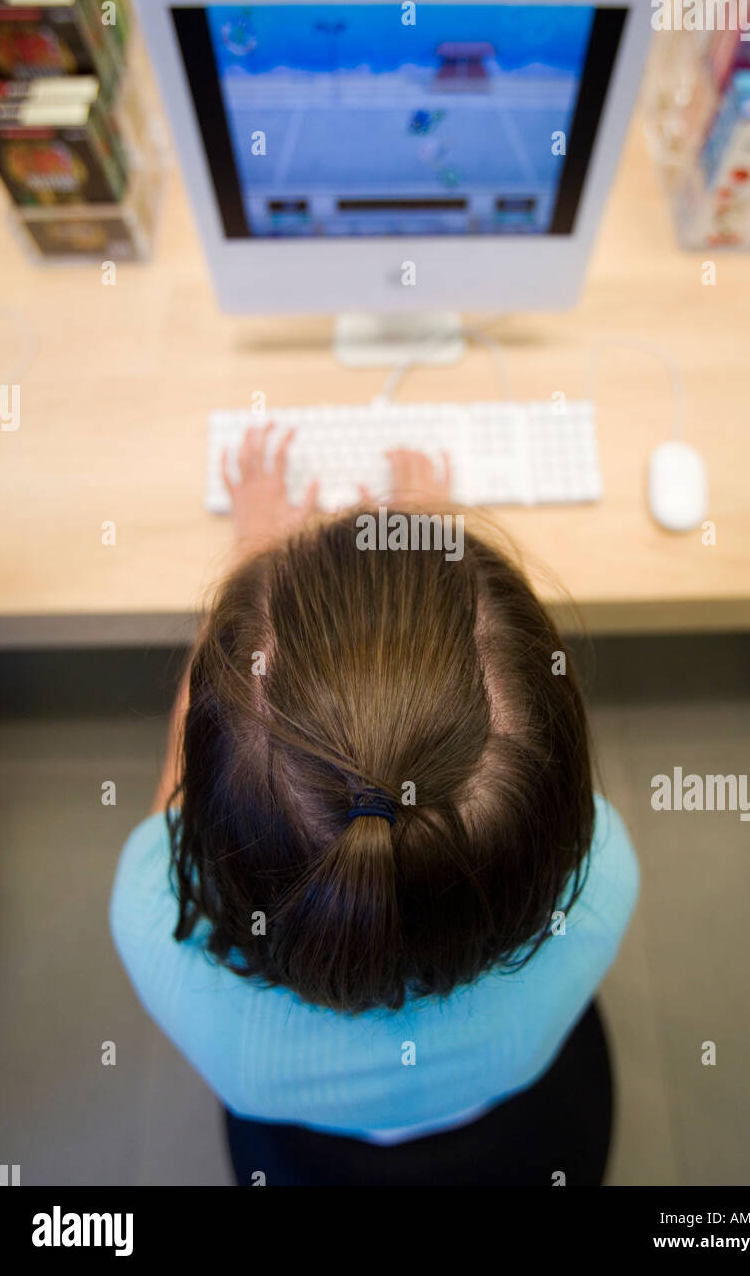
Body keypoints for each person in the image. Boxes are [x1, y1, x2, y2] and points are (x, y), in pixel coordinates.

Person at [110, 424, 639, 1186]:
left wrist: (252, 557)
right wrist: (429, 536)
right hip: (534, 1126)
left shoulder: (154, 929)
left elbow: (178, 784)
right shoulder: (605, 881)